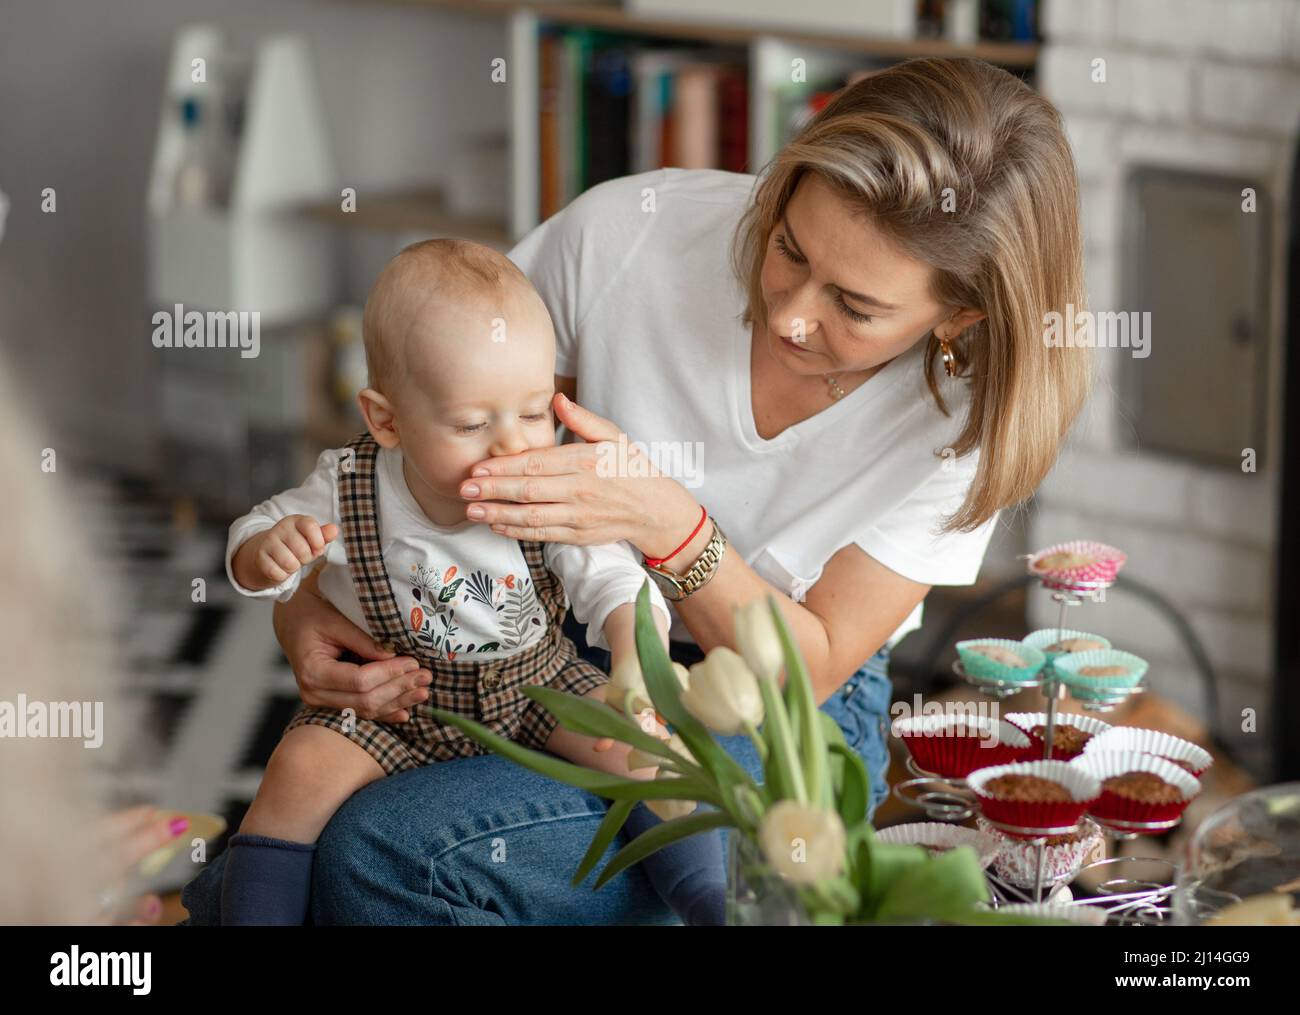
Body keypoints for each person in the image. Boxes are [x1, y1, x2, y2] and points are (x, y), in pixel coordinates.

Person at [181, 57, 1090, 925]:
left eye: (854, 307)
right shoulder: (633, 234)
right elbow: (425, 408)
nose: (789, 313)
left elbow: (805, 669)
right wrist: (302, 606)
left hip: (770, 710)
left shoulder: (962, 418)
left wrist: (663, 520)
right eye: (787, 247)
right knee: (248, 879)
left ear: (959, 314)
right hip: (526, 630)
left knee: (384, 856)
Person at [217, 239, 728, 925]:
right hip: (397, 704)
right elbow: (254, 530)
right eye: (470, 423)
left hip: (536, 683)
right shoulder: (348, 485)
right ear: (386, 419)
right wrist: (267, 554)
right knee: (297, 770)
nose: (512, 445)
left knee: (647, 751)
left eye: (531, 413)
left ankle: (715, 904)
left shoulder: (545, 489)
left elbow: (614, 579)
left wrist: (638, 664)